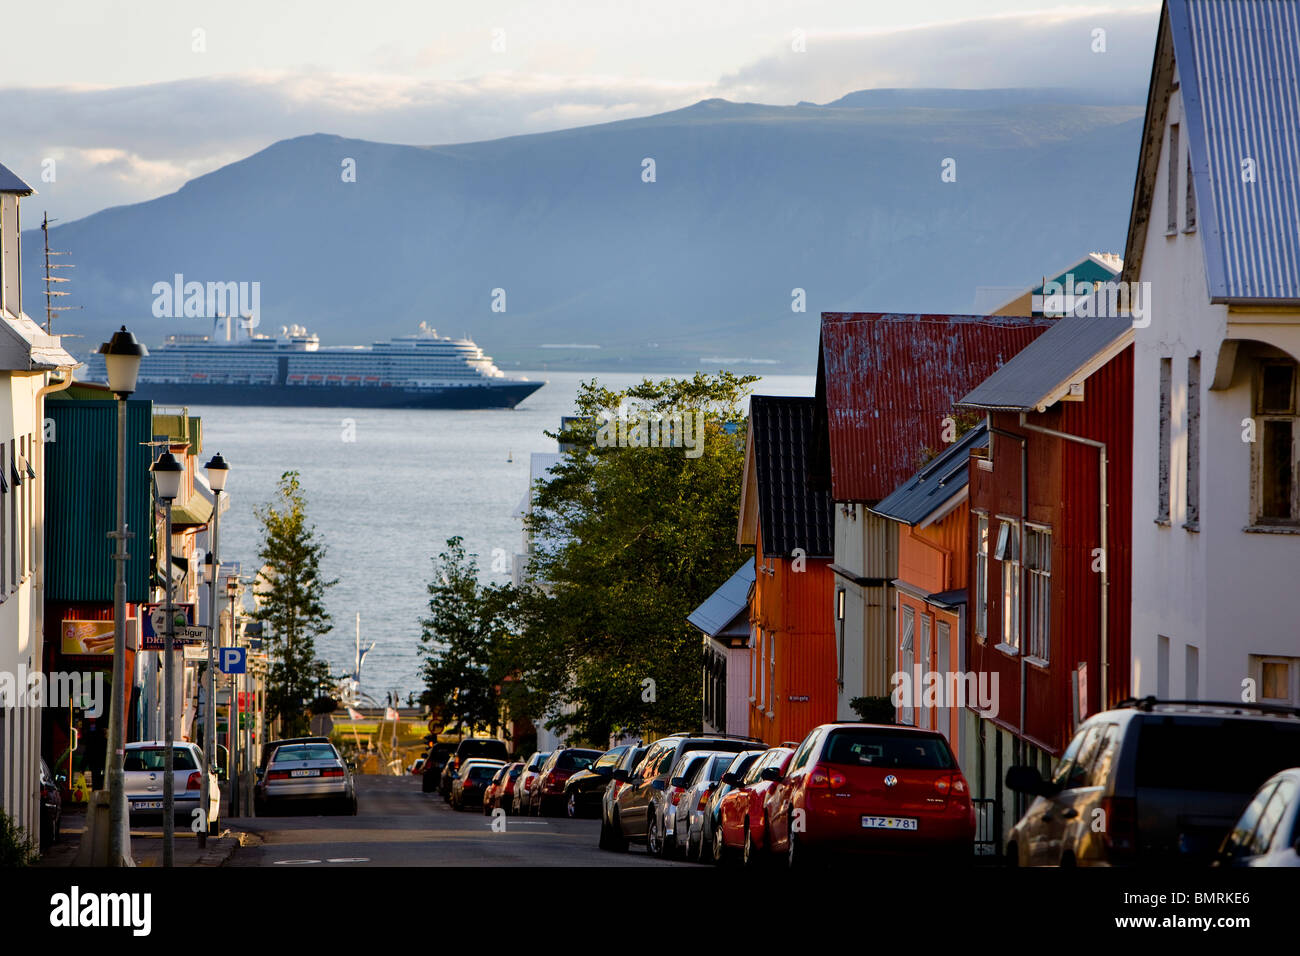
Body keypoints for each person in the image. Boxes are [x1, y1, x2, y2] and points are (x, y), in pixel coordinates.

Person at [82, 719, 107, 791]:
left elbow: (87, 753)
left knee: (95, 783)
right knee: (101, 782)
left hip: (94, 765)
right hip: (102, 765)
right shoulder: (105, 741)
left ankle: (96, 796)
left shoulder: (92, 739)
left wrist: (83, 766)